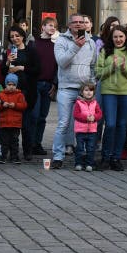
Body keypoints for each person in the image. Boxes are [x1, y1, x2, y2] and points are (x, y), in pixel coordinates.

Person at [51, 13, 98, 169]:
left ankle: (83, 156)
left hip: (84, 91)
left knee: (85, 124)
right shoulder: (61, 40)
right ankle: (58, 156)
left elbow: (93, 65)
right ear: (69, 25)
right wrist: (76, 46)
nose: (78, 24)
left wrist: (92, 84)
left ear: (85, 25)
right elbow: (62, 62)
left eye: (81, 22)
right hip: (66, 88)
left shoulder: (91, 42)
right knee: (64, 124)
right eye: (75, 22)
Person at [96, 25, 127, 171]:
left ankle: (116, 158)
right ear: (111, 38)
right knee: (110, 124)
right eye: (115, 37)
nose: (118, 39)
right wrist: (112, 67)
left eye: (121, 36)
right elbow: (98, 73)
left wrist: (124, 68)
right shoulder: (104, 51)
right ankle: (105, 157)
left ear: (126, 37)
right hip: (109, 91)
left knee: (122, 125)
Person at [0, 25, 39, 161]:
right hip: (11, 93)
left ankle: (28, 150)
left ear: (23, 36)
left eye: (17, 35)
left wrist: (21, 68)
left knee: (27, 123)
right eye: (12, 36)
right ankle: (11, 151)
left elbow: (37, 70)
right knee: (11, 123)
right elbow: (3, 72)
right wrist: (7, 62)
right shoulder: (8, 51)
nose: (15, 38)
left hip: (27, 91)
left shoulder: (31, 51)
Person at [32, 17, 58, 156]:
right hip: (35, 84)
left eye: (54, 26)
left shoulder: (55, 46)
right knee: (34, 115)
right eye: (50, 25)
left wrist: (54, 84)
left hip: (48, 84)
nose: (52, 28)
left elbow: (57, 67)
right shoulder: (34, 44)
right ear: (43, 27)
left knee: (43, 116)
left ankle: (38, 143)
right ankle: (30, 144)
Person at [0, 73, 28, 164]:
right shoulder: (1, 94)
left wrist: (15, 105)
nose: (11, 87)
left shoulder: (20, 95)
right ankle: (3, 157)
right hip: (4, 123)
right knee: (4, 141)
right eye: (9, 84)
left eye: (13, 85)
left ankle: (14, 157)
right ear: (6, 85)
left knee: (14, 141)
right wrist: (3, 105)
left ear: (16, 85)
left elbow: (24, 106)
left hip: (15, 123)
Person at [73, 83, 102, 172]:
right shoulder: (78, 103)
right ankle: (78, 163)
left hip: (92, 131)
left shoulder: (95, 103)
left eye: (91, 90)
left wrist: (94, 117)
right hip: (80, 131)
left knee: (91, 148)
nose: (89, 92)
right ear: (82, 92)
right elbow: (76, 115)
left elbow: (99, 114)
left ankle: (89, 164)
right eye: (86, 90)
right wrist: (86, 118)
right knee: (80, 148)